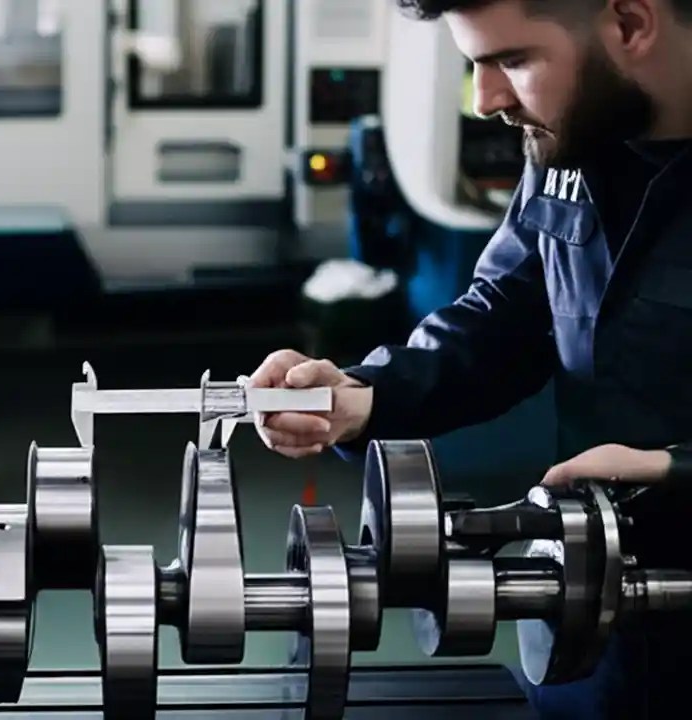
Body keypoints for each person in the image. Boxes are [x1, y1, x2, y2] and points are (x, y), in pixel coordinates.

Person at [250, 1, 692, 718]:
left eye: (513, 61)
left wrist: (674, 469)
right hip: (590, 620)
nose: (484, 100)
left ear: (631, 24)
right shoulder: (575, 139)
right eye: (475, 66)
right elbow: (506, 314)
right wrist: (366, 394)